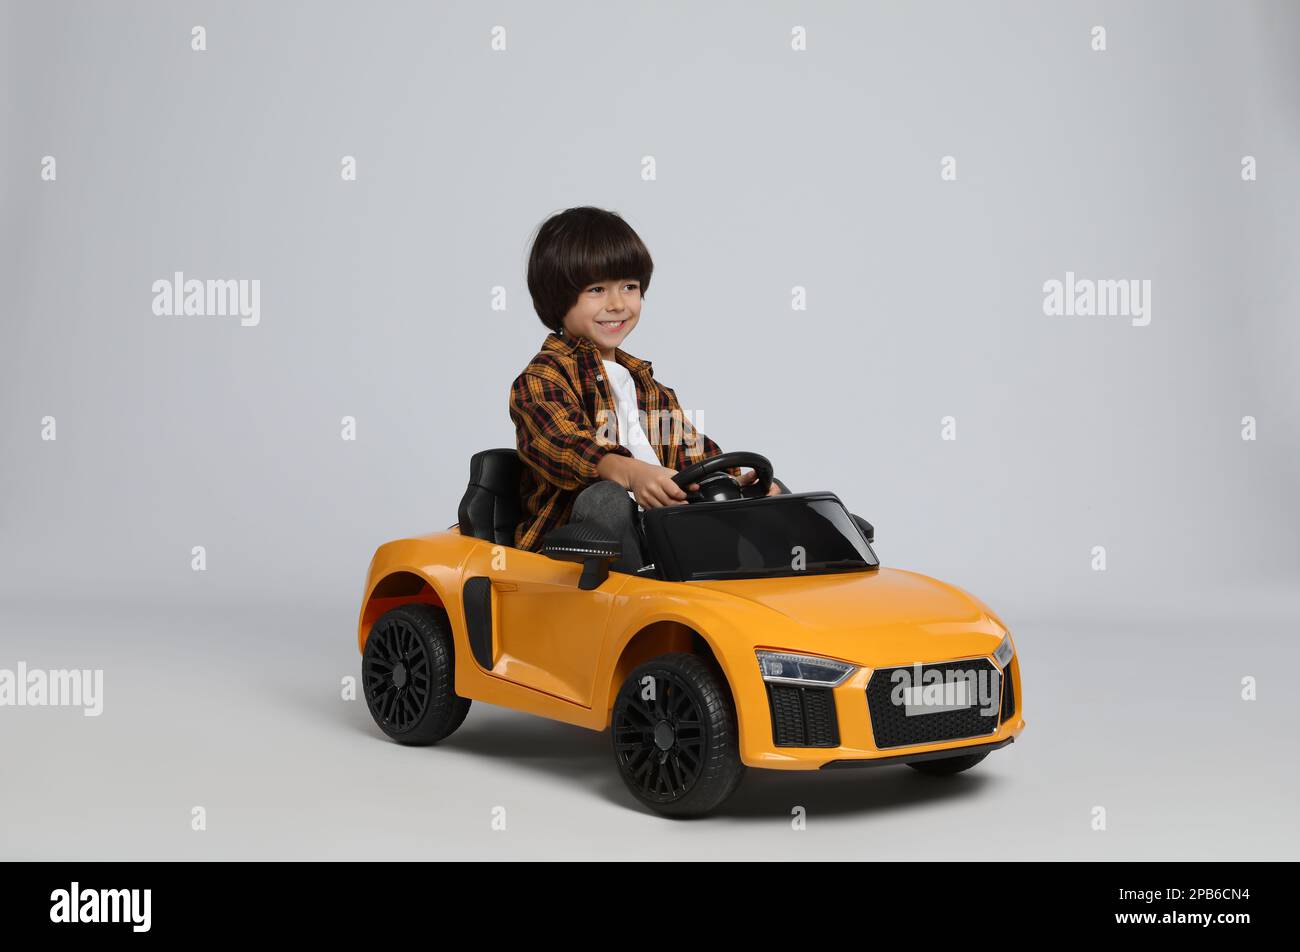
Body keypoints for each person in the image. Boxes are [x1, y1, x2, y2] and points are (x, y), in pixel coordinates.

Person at [508, 206, 784, 571]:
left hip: (664, 534)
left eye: (629, 287)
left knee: (770, 491)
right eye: (596, 289)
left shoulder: (648, 387)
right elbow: (563, 444)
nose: (618, 304)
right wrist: (633, 473)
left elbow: (691, 452)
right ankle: (634, 598)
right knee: (605, 498)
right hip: (575, 556)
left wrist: (739, 482)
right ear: (558, 297)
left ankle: (792, 585)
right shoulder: (543, 378)